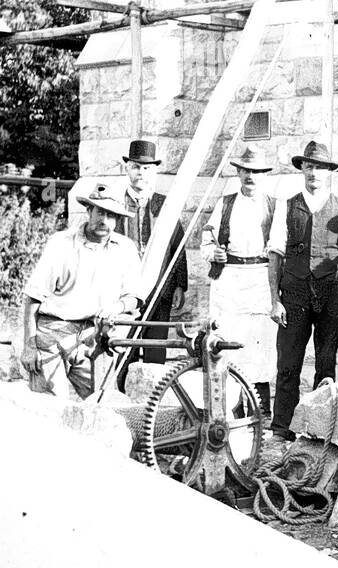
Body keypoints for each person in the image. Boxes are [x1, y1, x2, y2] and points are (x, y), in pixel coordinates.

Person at [21, 184, 142, 399]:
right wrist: (29, 346)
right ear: (89, 211)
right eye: (100, 212)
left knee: (104, 405)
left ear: (119, 220)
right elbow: (33, 297)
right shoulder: (61, 244)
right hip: (53, 332)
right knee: (50, 410)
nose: (104, 220)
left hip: (95, 336)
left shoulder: (126, 248)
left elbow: (134, 297)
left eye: (111, 216)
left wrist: (118, 307)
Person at [267, 141, 338, 442]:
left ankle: (317, 431)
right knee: (288, 362)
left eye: (321, 167)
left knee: (326, 362)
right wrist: (275, 300)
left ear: (330, 172)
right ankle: (281, 427)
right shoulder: (287, 205)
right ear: (302, 168)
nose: (315, 172)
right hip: (294, 292)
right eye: (310, 165)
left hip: (331, 291)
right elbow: (275, 251)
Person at [199, 146, 277, 417]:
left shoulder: (273, 204)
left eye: (256, 171)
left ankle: (261, 411)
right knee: (229, 341)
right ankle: (234, 410)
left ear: (263, 174)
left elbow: (281, 245)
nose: (250, 176)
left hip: (259, 277)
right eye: (246, 171)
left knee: (260, 344)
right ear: (239, 172)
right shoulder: (226, 202)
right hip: (230, 278)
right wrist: (215, 253)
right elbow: (206, 241)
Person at [114, 139, 189, 376]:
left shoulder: (164, 203)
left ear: (154, 171)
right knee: (125, 349)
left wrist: (180, 284)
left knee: (156, 352)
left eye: (146, 168)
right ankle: (123, 403)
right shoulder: (115, 203)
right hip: (125, 290)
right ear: (127, 168)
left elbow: (178, 245)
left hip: (159, 288)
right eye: (136, 166)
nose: (141, 173)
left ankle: (151, 407)